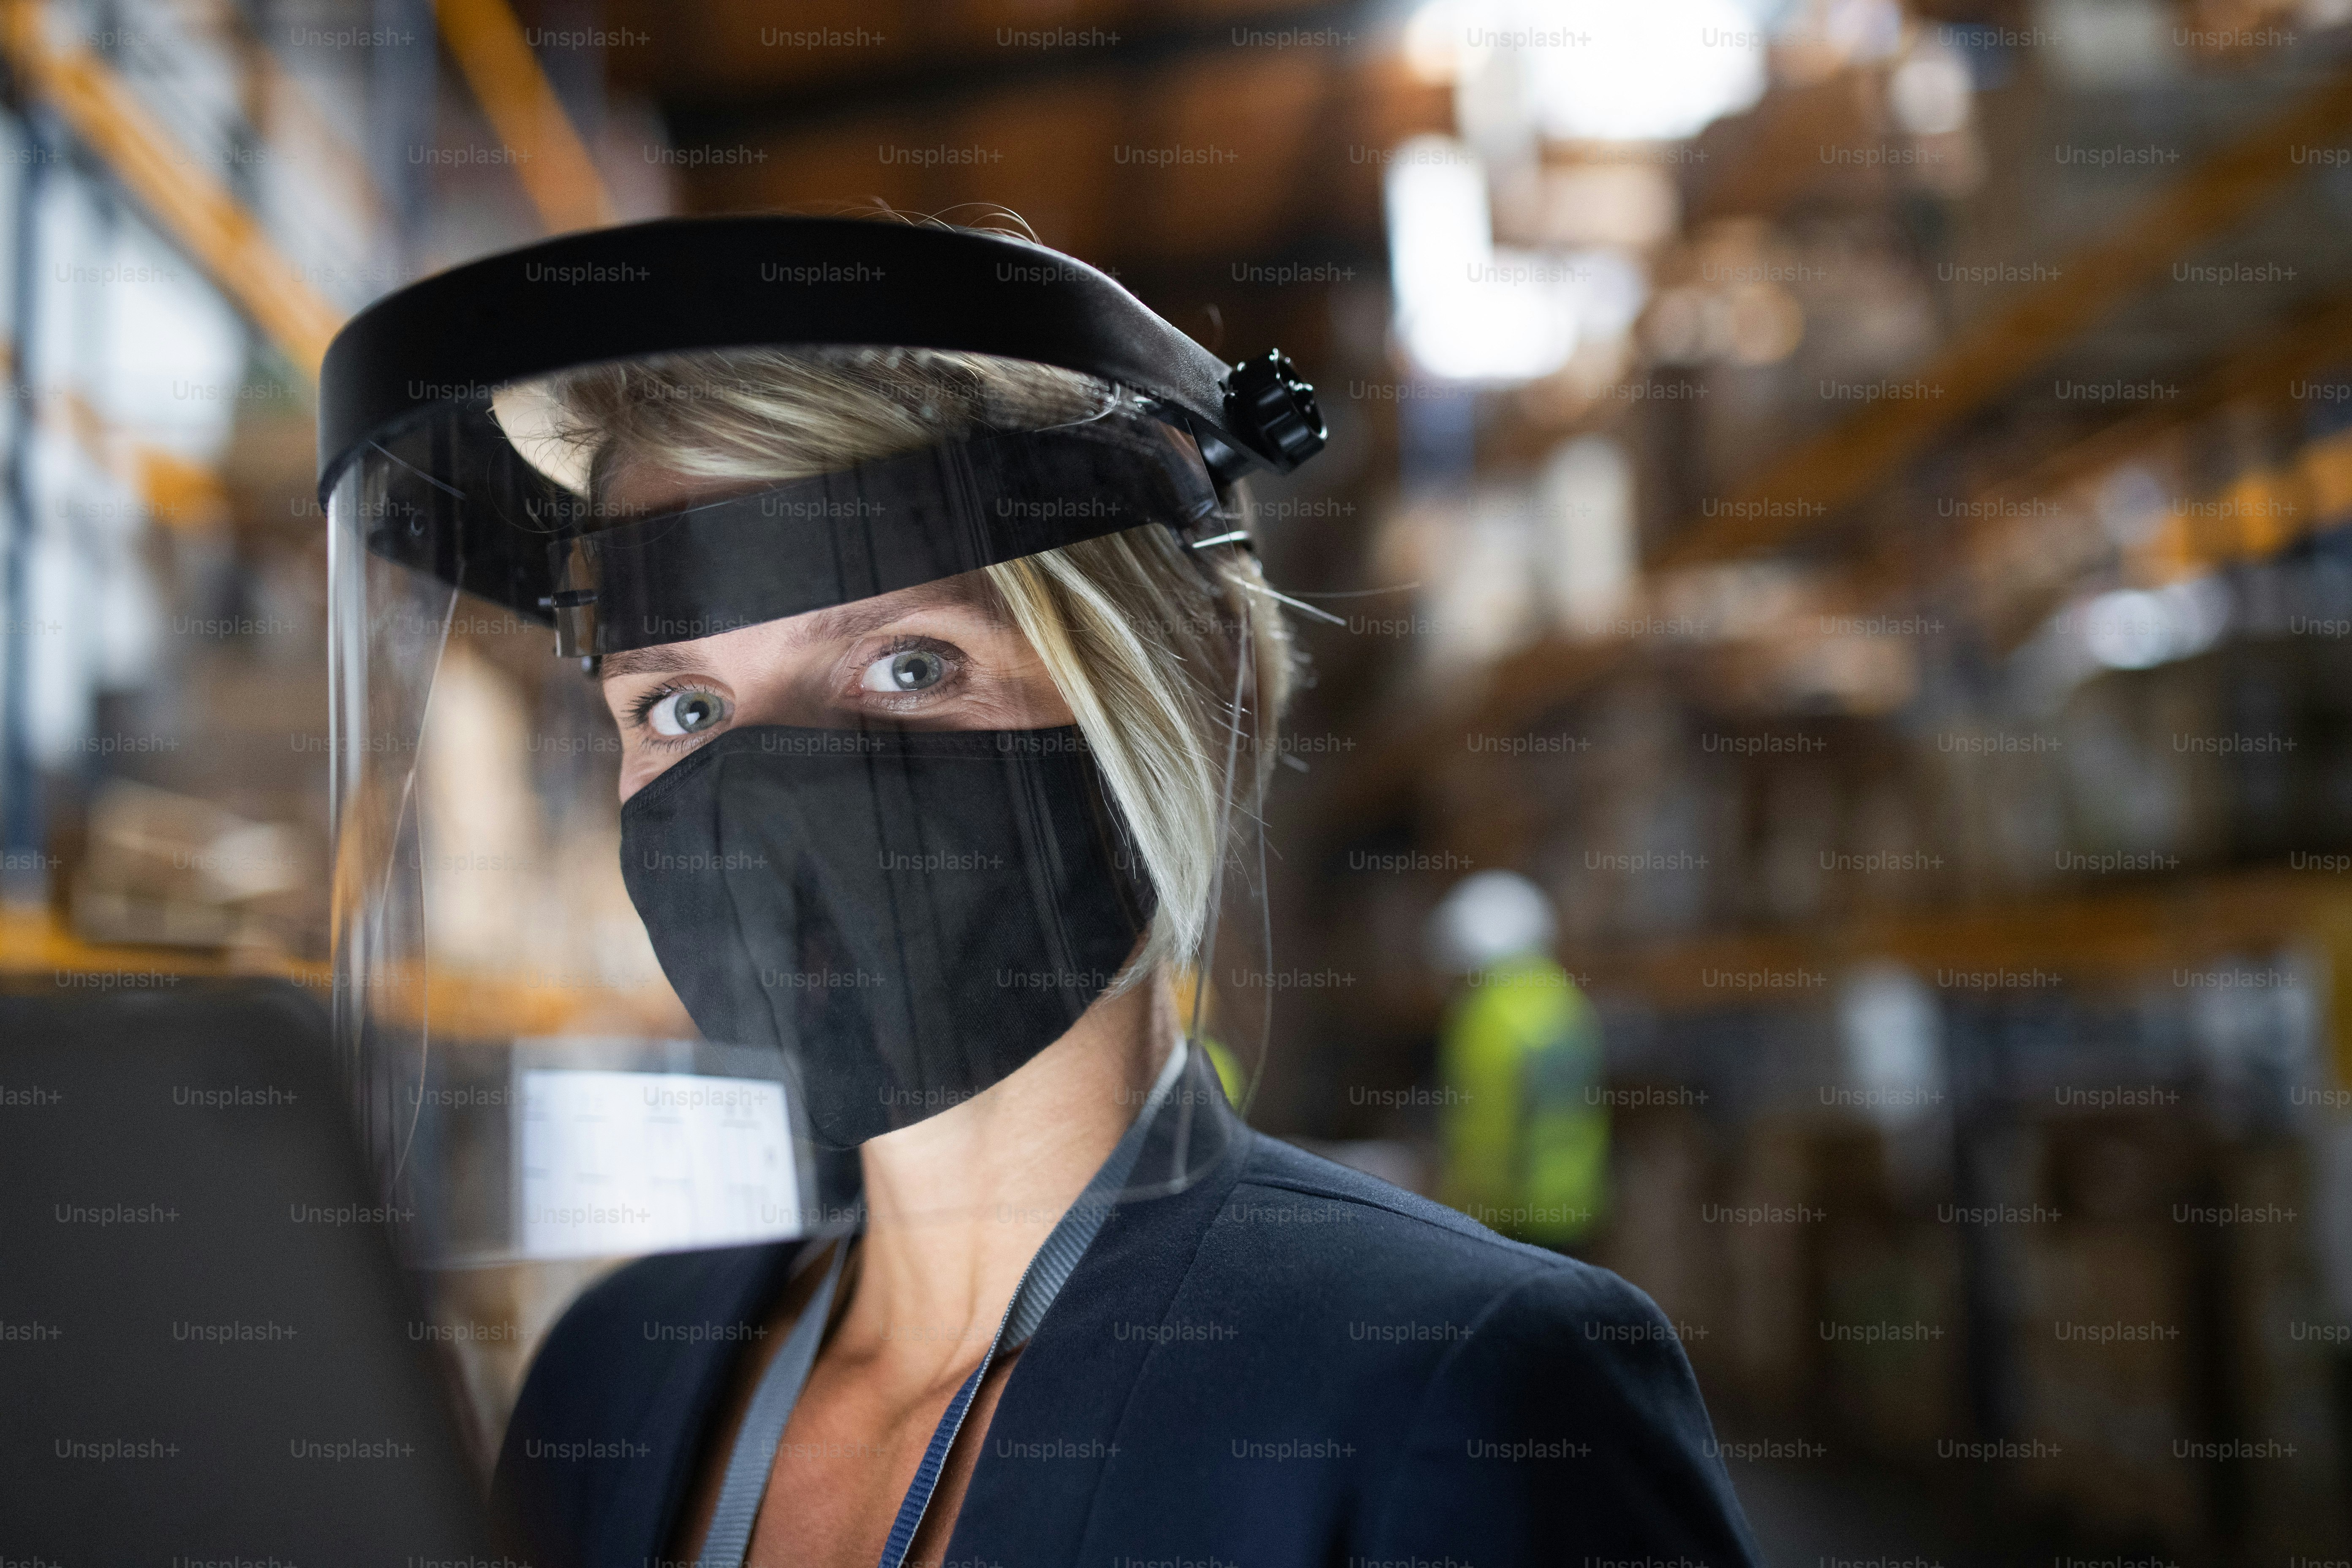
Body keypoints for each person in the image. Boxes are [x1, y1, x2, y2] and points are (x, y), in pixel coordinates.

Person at [316, 215, 1759, 1568]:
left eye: (907, 665)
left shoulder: (1457, 1385)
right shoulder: (612, 1378)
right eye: (681, 709)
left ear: (1173, 702)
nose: (759, 799)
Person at [1427, 869, 1612, 1250]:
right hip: (1576, 1207)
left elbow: (1487, 1126)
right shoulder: (1564, 1000)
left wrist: (1460, 1210)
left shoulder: (1488, 1014)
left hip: (1511, 1217)